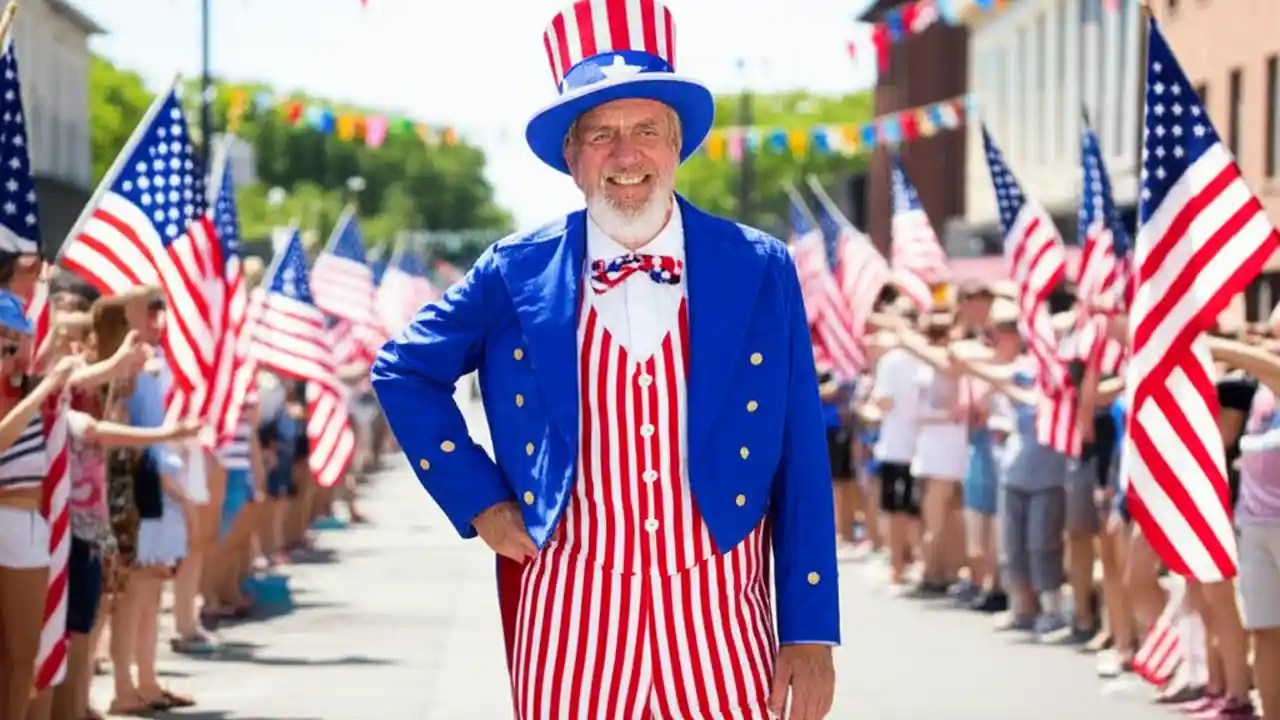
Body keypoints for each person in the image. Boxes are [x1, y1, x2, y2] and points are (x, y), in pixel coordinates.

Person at [371, 1, 839, 717]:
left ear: (677, 145)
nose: (626, 156)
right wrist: (481, 501)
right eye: (601, 135)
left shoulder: (759, 266)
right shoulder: (514, 270)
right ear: (571, 157)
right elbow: (405, 369)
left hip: (722, 611)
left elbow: (801, 456)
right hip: (569, 612)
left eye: (646, 130)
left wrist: (809, 629)